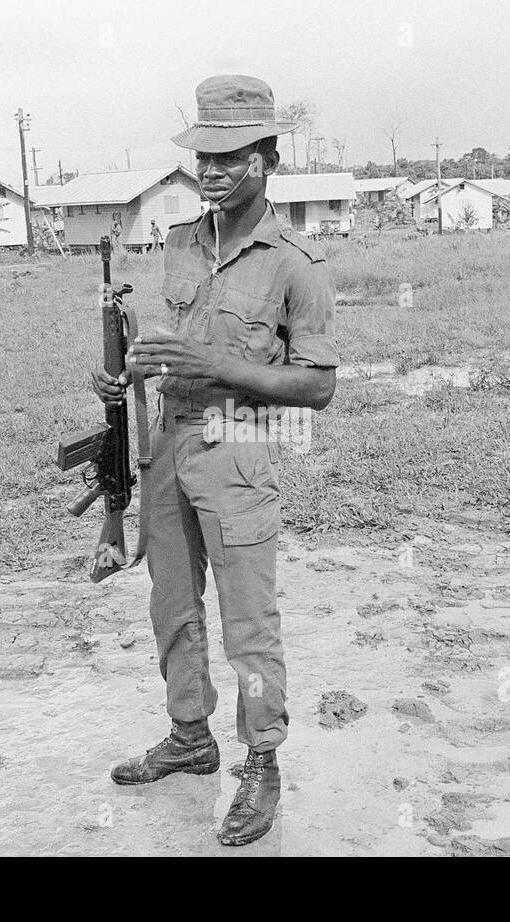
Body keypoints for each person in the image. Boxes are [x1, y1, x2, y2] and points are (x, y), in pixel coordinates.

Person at [91, 74, 338, 846]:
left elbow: (319, 385)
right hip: (169, 444)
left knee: (248, 622)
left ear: (266, 159)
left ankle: (260, 760)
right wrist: (123, 369)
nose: (213, 171)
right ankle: (189, 735)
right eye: (204, 156)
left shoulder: (296, 264)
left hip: (238, 448)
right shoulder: (178, 244)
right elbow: (163, 351)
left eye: (231, 157)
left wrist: (215, 364)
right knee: (171, 605)